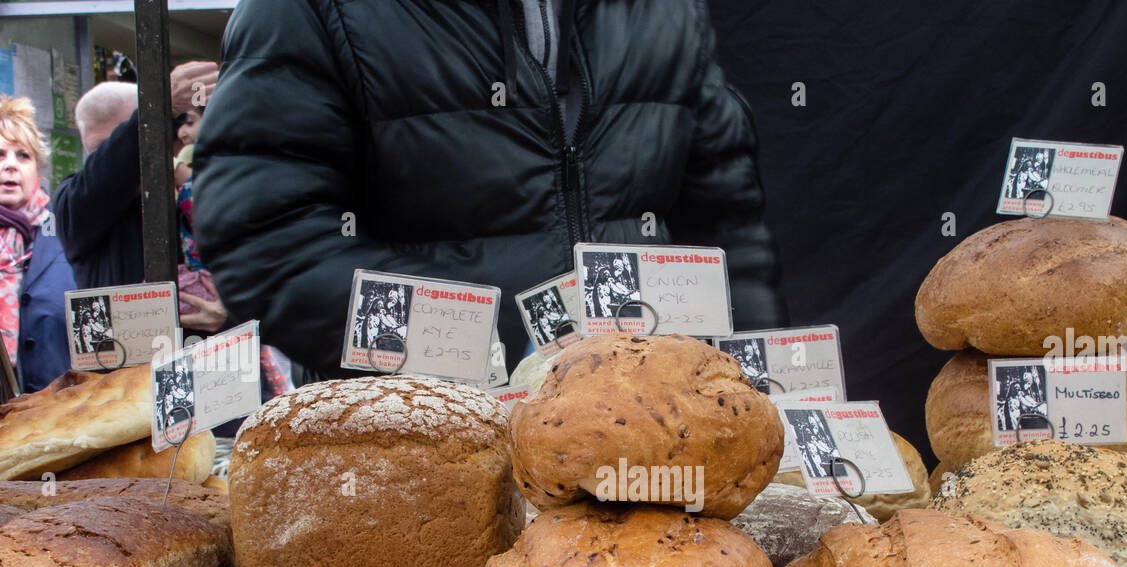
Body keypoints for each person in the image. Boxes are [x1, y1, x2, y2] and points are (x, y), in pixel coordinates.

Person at [193, 0, 787, 378]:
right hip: (421, 445)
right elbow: (269, 243)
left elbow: (729, 226)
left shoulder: (666, 10)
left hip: (649, 424)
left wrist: (757, 387)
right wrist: (491, 345)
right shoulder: (311, 10)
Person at [54, 63, 228, 337]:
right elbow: (110, 172)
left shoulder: (181, 193)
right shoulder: (73, 202)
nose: (171, 148)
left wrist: (229, 310)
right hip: (121, 377)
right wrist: (160, 105)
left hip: (208, 367)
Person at [0, 96, 77, 394]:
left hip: (58, 413)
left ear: (39, 170)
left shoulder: (66, 231)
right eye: (0, 155)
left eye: (23, 156)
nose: (10, 165)